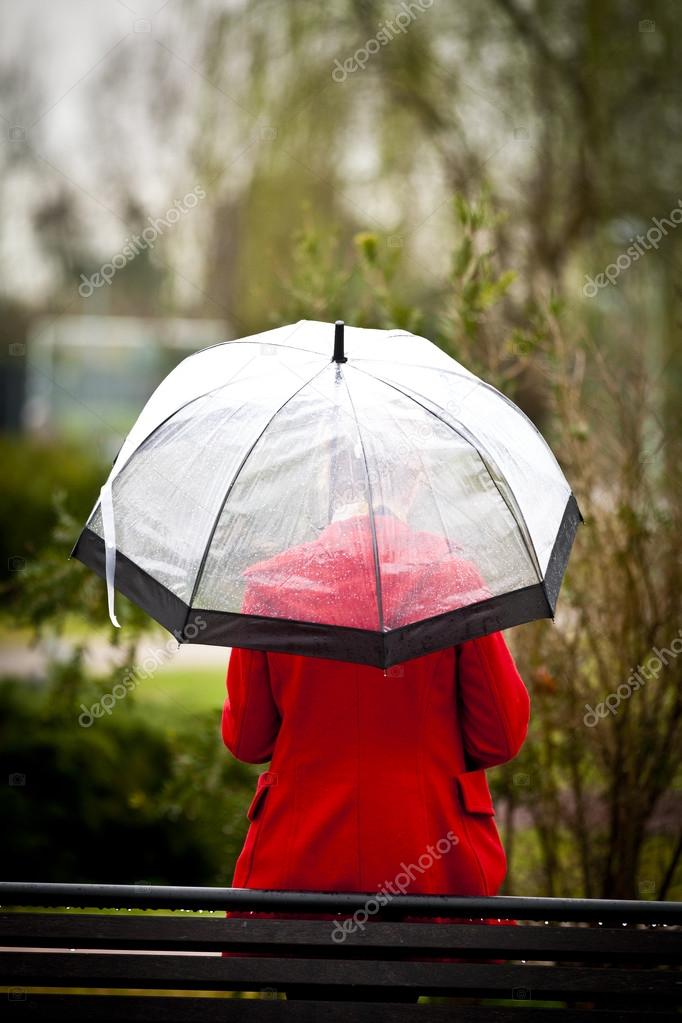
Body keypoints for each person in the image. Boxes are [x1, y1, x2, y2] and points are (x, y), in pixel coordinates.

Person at [220, 508, 531, 1001]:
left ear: (326, 481)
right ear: (409, 482)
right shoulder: (452, 580)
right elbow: (500, 735)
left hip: (303, 867)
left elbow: (248, 741)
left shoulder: (272, 587)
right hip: (430, 863)